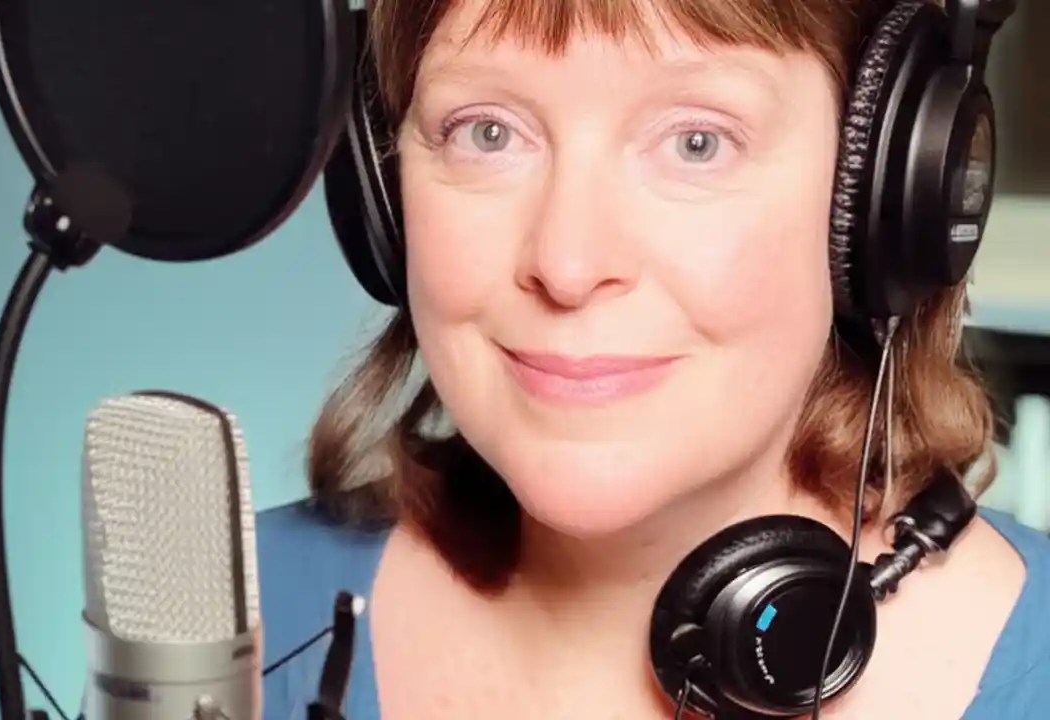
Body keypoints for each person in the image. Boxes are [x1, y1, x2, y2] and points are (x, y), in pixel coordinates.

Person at [257, 0, 1050, 717]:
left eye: (697, 143)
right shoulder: (209, 621)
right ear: (380, 191)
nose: (567, 265)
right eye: (486, 131)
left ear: (887, 195)